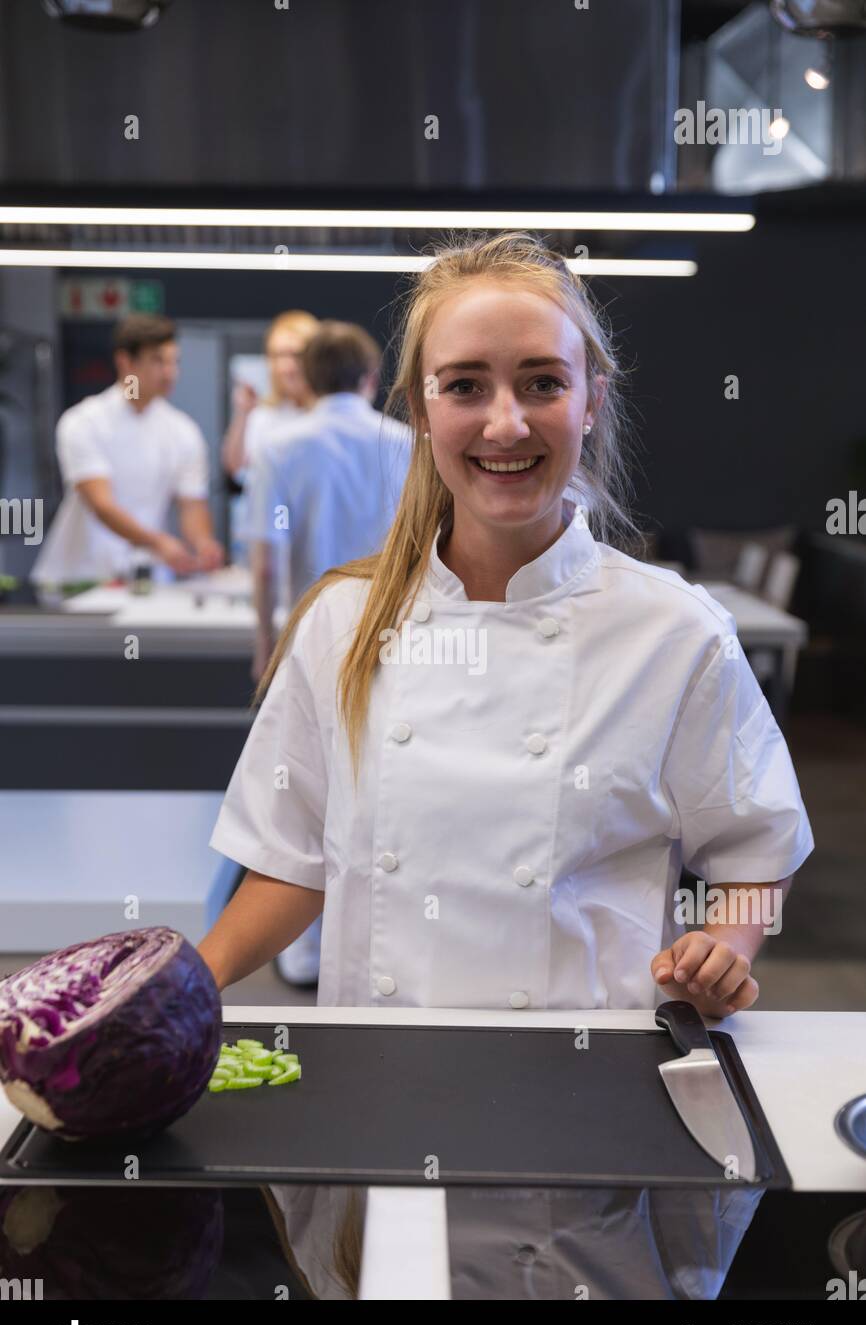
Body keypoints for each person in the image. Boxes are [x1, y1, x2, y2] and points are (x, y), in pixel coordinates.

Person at [200, 232, 814, 1018]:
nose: (505, 425)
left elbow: (757, 849)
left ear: (591, 399)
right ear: (420, 410)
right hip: (380, 1072)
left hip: (594, 1077)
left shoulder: (676, 633)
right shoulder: (341, 625)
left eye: (541, 383)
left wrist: (726, 949)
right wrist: (184, 980)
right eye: (463, 386)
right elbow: (290, 862)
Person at [244, 320, 412, 986]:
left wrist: (264, 645)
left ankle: (305, 949)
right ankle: (378, 951)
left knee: (302, 798)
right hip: (400, 634)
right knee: (379, 796)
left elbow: (265, 560)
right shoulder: (406, 444)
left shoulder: (280, 446)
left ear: (306, 380)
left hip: (309, 637)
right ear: (371, 379)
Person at [31, 314, 223, 586]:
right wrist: (158, 542)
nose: (170, 372)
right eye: (158, 361)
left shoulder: (183, 431)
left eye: (174, 361)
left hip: (145, 580)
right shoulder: (84, 422)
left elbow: (192, 504)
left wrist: (203, 544)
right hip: (78, 578)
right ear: (125, 362)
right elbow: (102, 505)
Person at [220, 309, 319, 486]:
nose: (286, 367)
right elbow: (235, 469)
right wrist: (242, 415)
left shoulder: (328, 414)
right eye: (277, 356)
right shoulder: (262, 416)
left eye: (295, 355)